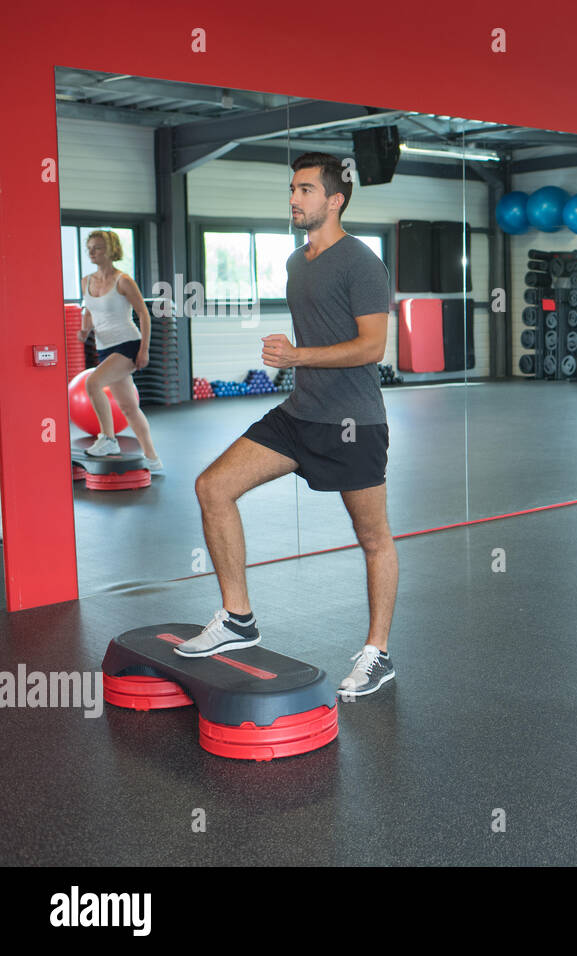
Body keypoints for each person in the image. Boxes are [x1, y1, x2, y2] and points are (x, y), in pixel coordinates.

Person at [177, 152, 398, 699]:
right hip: (299, 415)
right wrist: (297, 360)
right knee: (213, 486)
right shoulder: (296, 262)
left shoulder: (363, 263)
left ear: (334, 199)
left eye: (304, 190)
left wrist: (298, 356)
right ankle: (237, 619)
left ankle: (378, 653)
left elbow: (373, 346)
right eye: (292, 189)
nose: (294, 198)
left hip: (352, 422)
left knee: (372, 539)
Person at [78, 230, 164, 471]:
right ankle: (152, 458)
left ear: (111, 251)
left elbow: (144, 315)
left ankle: (108, 439)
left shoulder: (123, 280)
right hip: (104, 348)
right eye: (90, 248)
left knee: (92, 383)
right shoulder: (86, 281)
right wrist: (84, 331)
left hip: (127, 344)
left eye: (97, 248)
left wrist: (144, 350)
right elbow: (89, 310)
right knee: (128, 407)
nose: (92, 252)